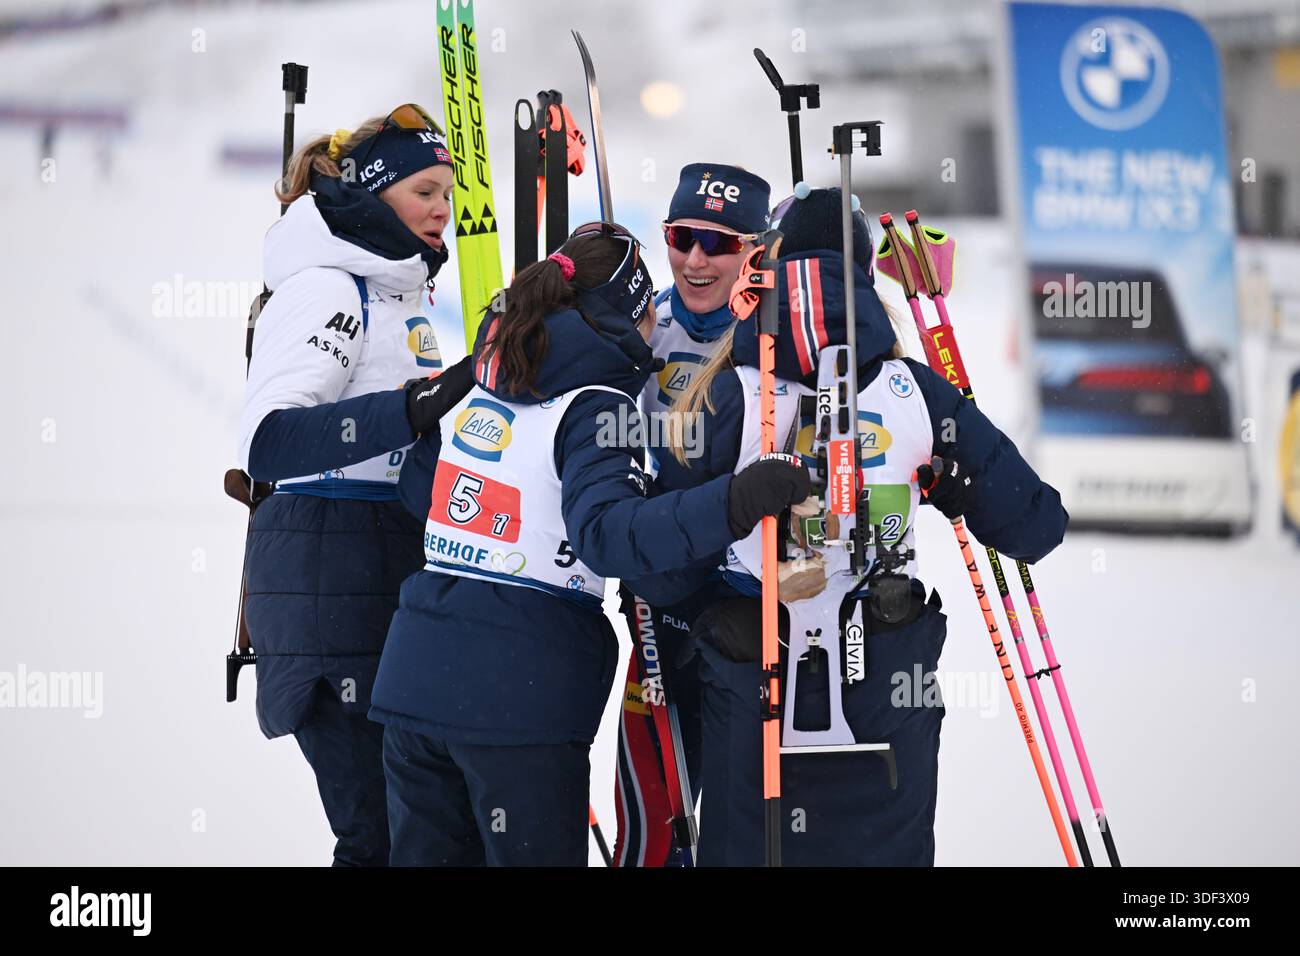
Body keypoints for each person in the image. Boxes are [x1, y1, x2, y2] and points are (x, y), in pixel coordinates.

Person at [630, 187, 1069, 865]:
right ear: (865, 277)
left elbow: (659, 570)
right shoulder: (914, 391)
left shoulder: (727, 391)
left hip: (752, 683)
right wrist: (958, 487)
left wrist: (715, 564)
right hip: (887, 679)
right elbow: (1035, 526)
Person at [369, 223, 810, 866]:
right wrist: (735, 501)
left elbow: (420, 488)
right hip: (517, 703)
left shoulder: (487, 366)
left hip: (413, 685)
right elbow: (609, 536)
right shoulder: (599, 403)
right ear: (631, 318)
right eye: (651, 318)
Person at [236, 104, 473, 866]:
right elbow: (268, 442)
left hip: (383, 572)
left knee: (420, 831)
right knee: (377, 835)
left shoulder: (400, 288)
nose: (444, 209)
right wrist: (411, 411)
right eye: (425, 191)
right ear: (376, 196)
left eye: (449, 193)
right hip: (329, 583)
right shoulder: (331, 288)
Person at [614, 163, 772, 866]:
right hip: (658, 604)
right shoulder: (641, 326)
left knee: (743, 832)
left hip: (746, 616)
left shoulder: (778, 335)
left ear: (755, 251)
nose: (697, 259)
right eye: (682, 237)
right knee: (653, 827)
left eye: (719, 242)